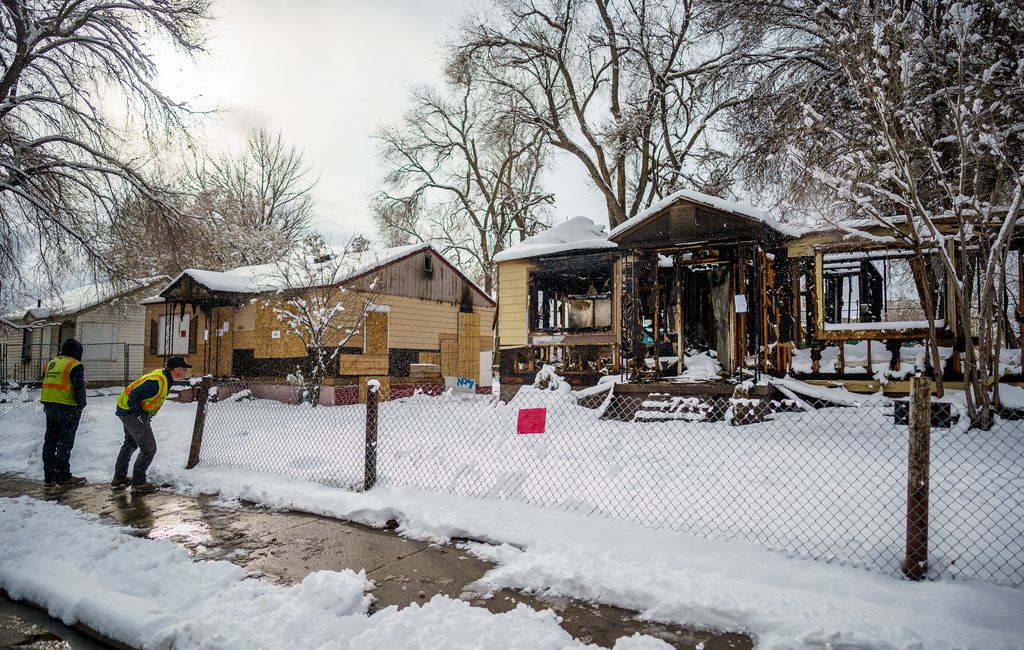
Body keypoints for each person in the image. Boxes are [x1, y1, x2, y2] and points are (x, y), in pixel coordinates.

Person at [112, 355, 192, 493]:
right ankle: (139, 482)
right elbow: (134, 397)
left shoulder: (165, 377)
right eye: (184, 369)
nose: (186, 371)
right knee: (148, 448)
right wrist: (140, 416)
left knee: (130, 443)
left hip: (126, 410)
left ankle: (119, 477)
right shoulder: (157, 381)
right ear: (177, 369)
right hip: (130, 412)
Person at [40, 338, 88, 486]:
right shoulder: (74, 365)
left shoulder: (51, 363)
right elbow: (79, 388)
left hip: (49, 405)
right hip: (67, 407)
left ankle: (49, 475)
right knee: (64, 443)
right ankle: (63, 475)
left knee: (50, 441)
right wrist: (81, 404)